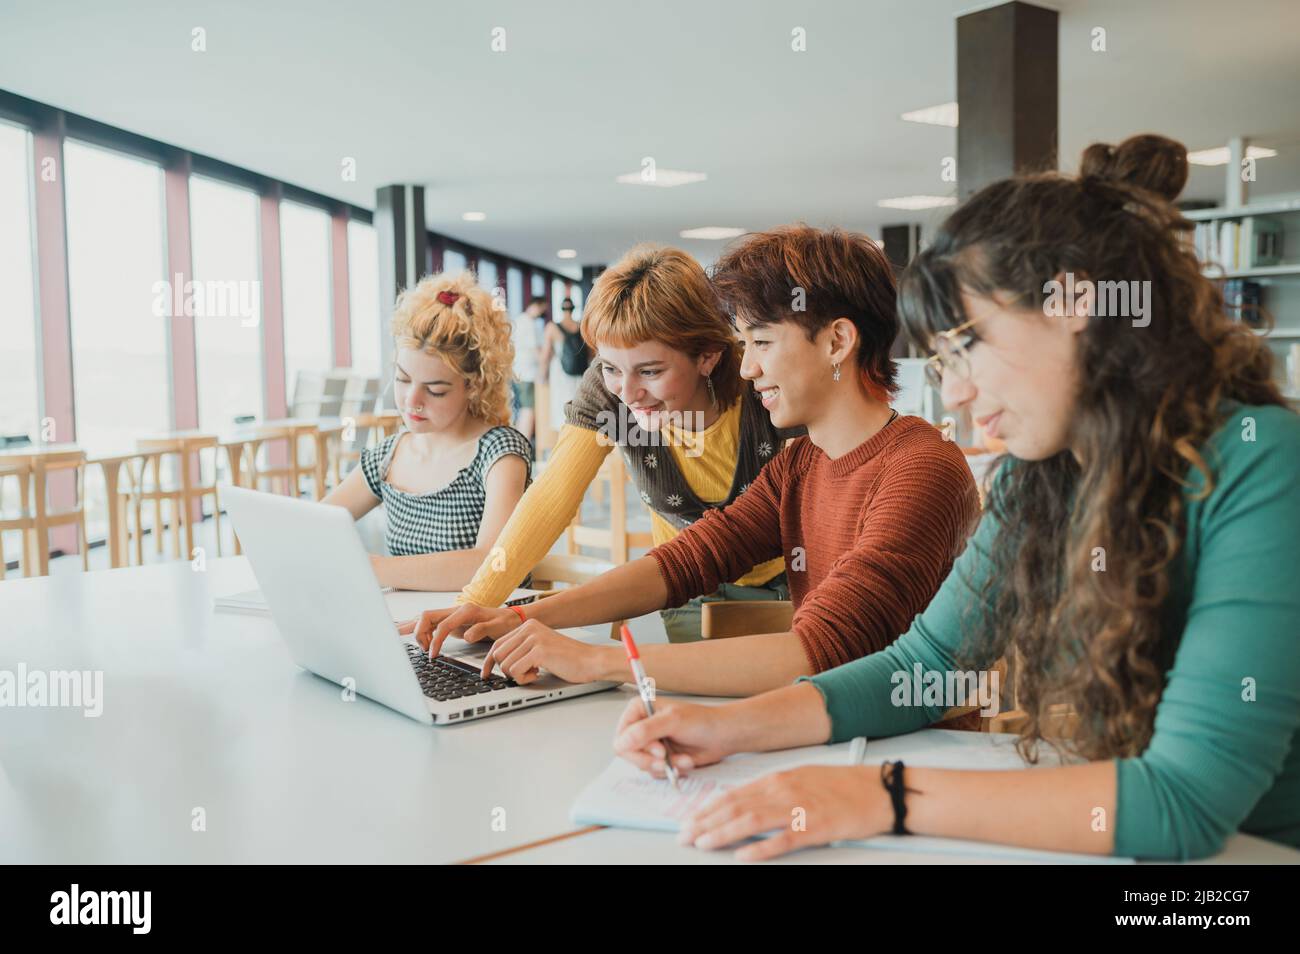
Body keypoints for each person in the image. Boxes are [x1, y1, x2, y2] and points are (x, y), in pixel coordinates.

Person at [611, 135, 1300, 861]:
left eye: (970, 346)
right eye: (945, 360)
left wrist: (880, 796)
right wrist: (730, 727)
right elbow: (929, 665)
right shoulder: (1042, 475)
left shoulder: (1260, 460)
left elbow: (1183, 803)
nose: (959, 390)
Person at [407, 226, 980, 698]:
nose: (748, 368)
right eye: (744, 344)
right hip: (831, 730)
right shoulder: (800, 464)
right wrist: (523, 616)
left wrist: (600, 663)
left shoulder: (921, 469)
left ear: (836, 343)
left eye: (760, 342)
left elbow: (817, 652)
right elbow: (687, 561)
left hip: (908, 754)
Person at [440, 244, 801, 643]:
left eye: (650, 371)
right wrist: (473, 604)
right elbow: (552, 495)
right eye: (611, 367)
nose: (628, 393)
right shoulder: (609, 390)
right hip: (687, 584)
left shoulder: (759, 382)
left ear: (708, 357)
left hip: (789, 581)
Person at [322, 271, 532, 591]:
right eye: (403, 379)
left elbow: (491, 563)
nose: (412, 402)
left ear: (473, 386)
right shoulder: (388, 455)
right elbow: (318, 525)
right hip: (412, 631)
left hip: (483, 635)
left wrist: (376, 569)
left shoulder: (500, 453)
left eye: (435, 390)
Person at [540, 296, 587, 430]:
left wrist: (543, 377)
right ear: (573, 309)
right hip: (580, 373)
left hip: (560, 372)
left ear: (561, 308)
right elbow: (590, 353)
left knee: (561, 405)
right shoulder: (582, 326)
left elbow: (545, 355)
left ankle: (564, 433)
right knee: (578, 403)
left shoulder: (552, 327)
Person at [510, 297, 548, 444]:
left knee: (523, 409)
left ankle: (519, 442)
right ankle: (522, 444)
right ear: (536, 306)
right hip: (528, 373)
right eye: (542, 308)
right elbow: (536, 351)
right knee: (529, 409)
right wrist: (545, 364)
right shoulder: (529, 323)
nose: (542, 313)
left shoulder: (518, 320)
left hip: (518, 372)